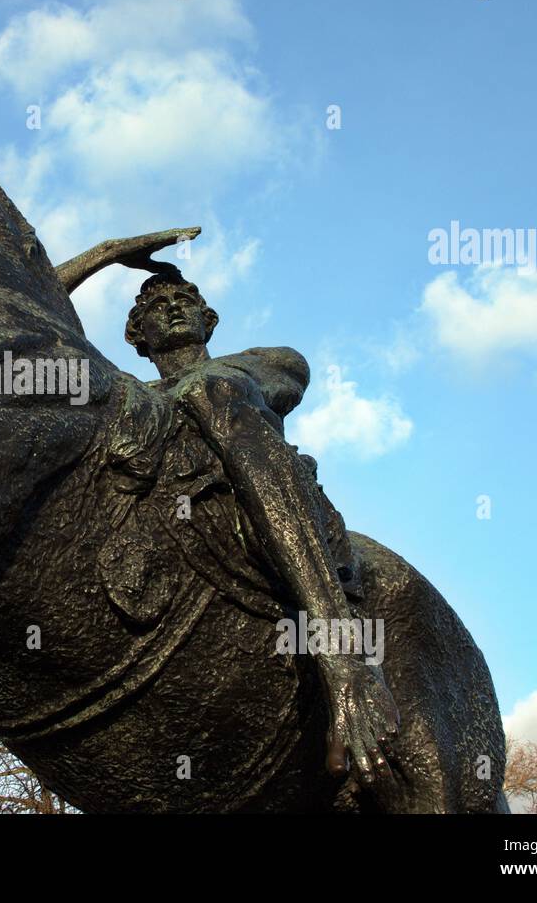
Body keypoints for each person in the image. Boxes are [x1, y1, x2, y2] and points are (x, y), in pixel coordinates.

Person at [124, 265, 400, 787]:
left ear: (209, 319)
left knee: (210, 390)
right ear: (136, 334)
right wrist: (106, 253)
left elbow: (281, 382)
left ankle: (342, 658)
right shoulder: (129, 392)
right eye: (157, 307)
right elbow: (32, 324)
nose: (174, 307)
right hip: (172, 516)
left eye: (186, 299)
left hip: (257, 496)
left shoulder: (260, 363)